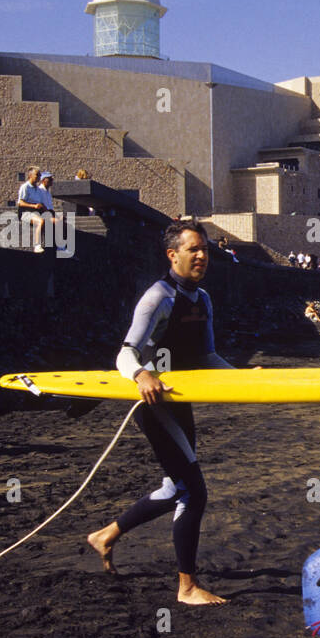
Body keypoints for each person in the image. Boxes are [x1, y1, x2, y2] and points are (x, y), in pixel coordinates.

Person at [86, 220, 231, 606]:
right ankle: (186, 588)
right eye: (193, 250)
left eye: (205, 250)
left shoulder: (203, 299)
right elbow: (125, 352)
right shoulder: (158, 297)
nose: (202, 256)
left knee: (173, 488)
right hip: (153, 405)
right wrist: (141, 374)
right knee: (193, 493)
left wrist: (244, 380)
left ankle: (105, 536)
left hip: (179, 401)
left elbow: (206, 356)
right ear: (173, 255)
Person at [16, 166, 45, 252]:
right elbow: (20, 202)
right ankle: (37, 245)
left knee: (56, 221)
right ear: (30, 175)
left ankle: (60, 247)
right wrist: (34, 206)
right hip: (26, 212)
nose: (39, 177)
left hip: (37, 212)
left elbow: (41, 203)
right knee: (41, 221)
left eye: (40, 175)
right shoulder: (25, 187)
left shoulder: (39, 190)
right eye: (37, 175)